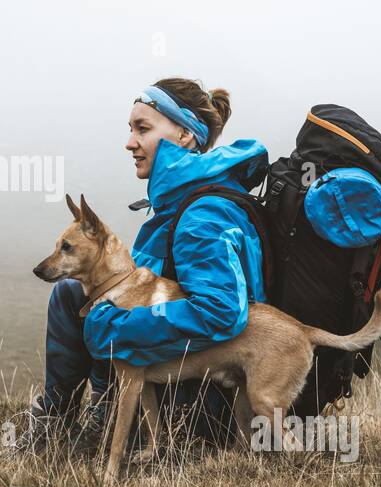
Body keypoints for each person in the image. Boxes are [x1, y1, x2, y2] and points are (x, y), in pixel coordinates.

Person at [20, 77, 269, 456]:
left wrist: (118, 326)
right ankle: (64, 419)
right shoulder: (180, 203)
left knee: (88, 302)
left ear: (185, 134)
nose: (130, 141)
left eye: (143, 129)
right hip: (179, 383)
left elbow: (221, 313)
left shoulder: (202, 215)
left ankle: (89, 420)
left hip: (201, 400)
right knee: (76, 293)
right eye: (130, 129)